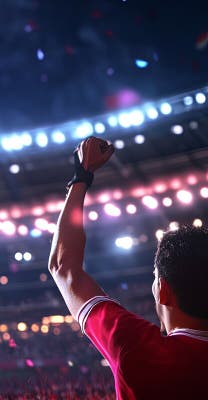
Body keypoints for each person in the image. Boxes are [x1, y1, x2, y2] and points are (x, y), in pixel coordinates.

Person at [48, 137, 208, 399]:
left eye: (155, 278)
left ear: (163, 291)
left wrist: (81, 177)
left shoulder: (141, 350)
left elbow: (63, 267)